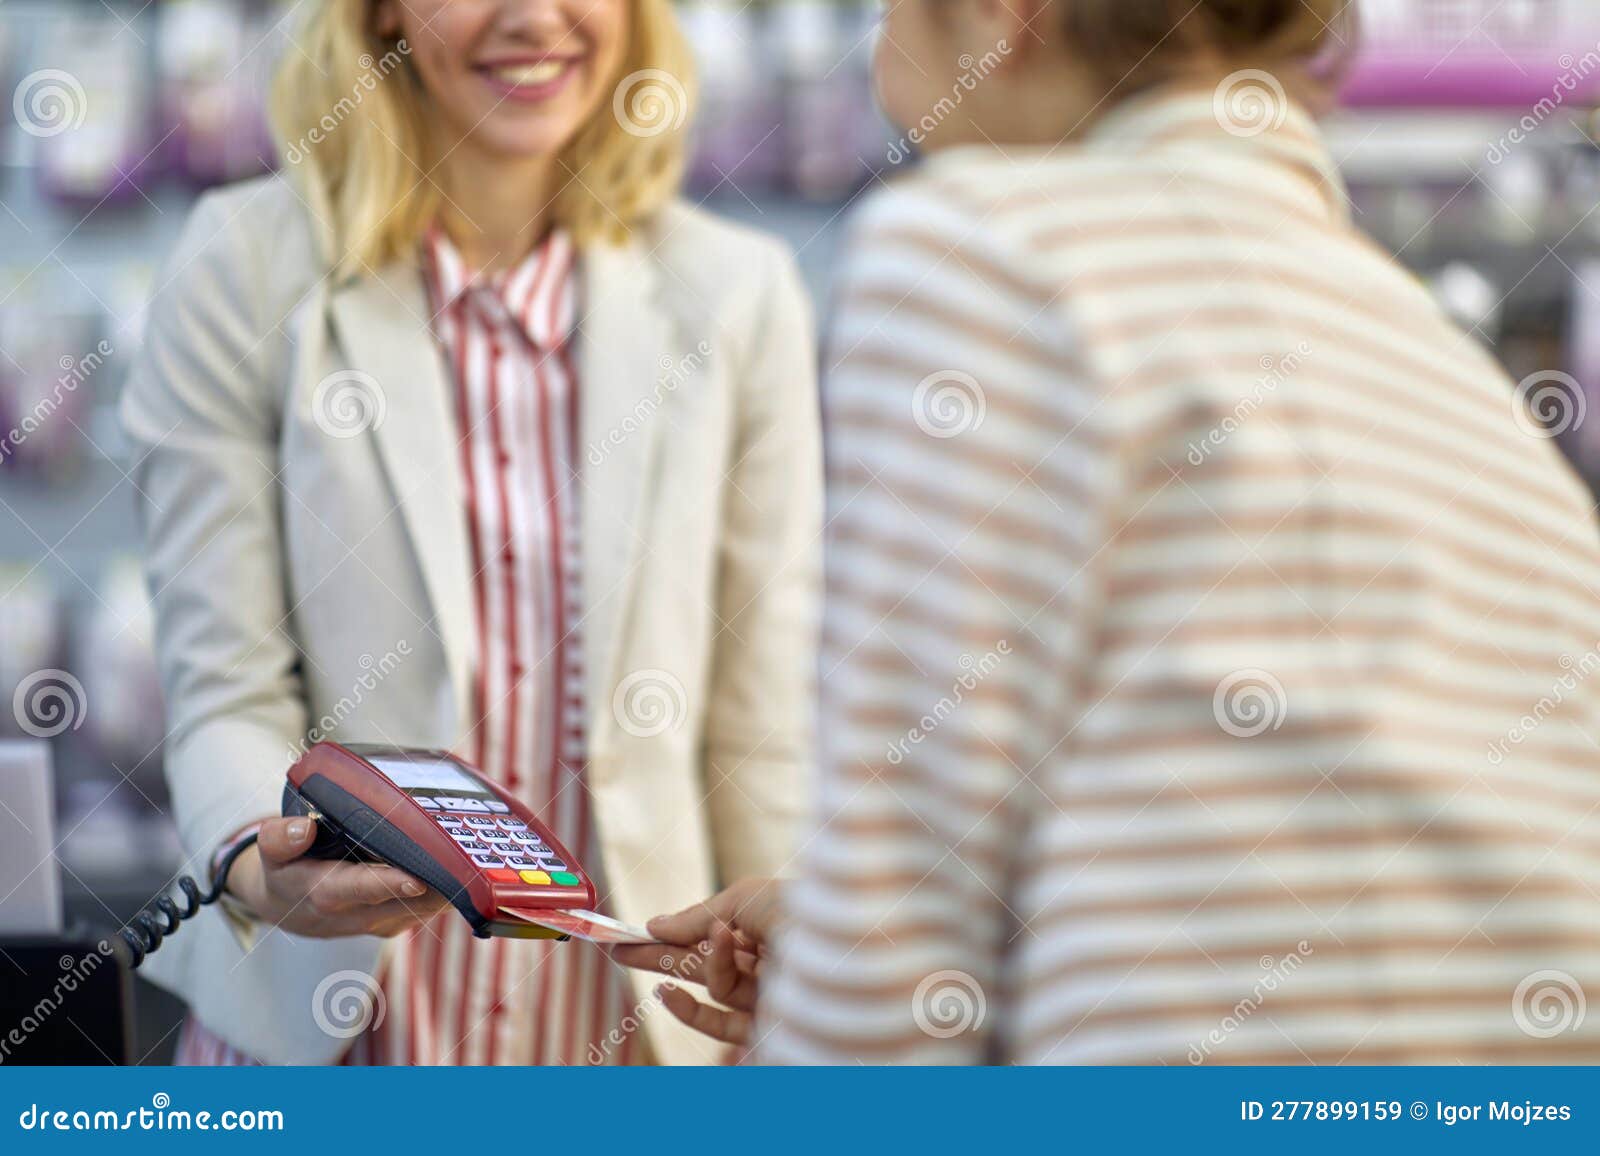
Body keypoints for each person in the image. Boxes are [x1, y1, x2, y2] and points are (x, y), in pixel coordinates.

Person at [615, 0, 1600, 1063]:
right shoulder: (1442, 371)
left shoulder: (985, 247)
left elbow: (890, 990)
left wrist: (829, 994)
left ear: (1002, 17)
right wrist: (826, 945)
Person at [121, 0, 820, 1067]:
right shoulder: (243, 267)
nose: (536, 18)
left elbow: (757, 719)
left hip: (626, 1035)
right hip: (329, 1035)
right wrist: (268, 873)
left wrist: (791, 999)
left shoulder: (734, 295)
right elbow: (225, 688)